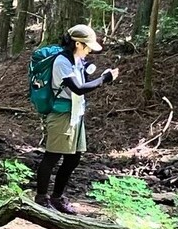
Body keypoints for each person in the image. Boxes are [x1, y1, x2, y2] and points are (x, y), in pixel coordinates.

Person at [34, 23, 119, 213]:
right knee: (52, 157)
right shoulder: (62, 61)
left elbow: (82, 83)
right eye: (88, 47)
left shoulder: (76, 59)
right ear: (78, 44)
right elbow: (78, 88)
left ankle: (57, 198)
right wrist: (104, 79)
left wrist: (88, 70)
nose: (89, 51)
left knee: (73, 159)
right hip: (61, 114)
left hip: (75, 114)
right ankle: (41, 198)